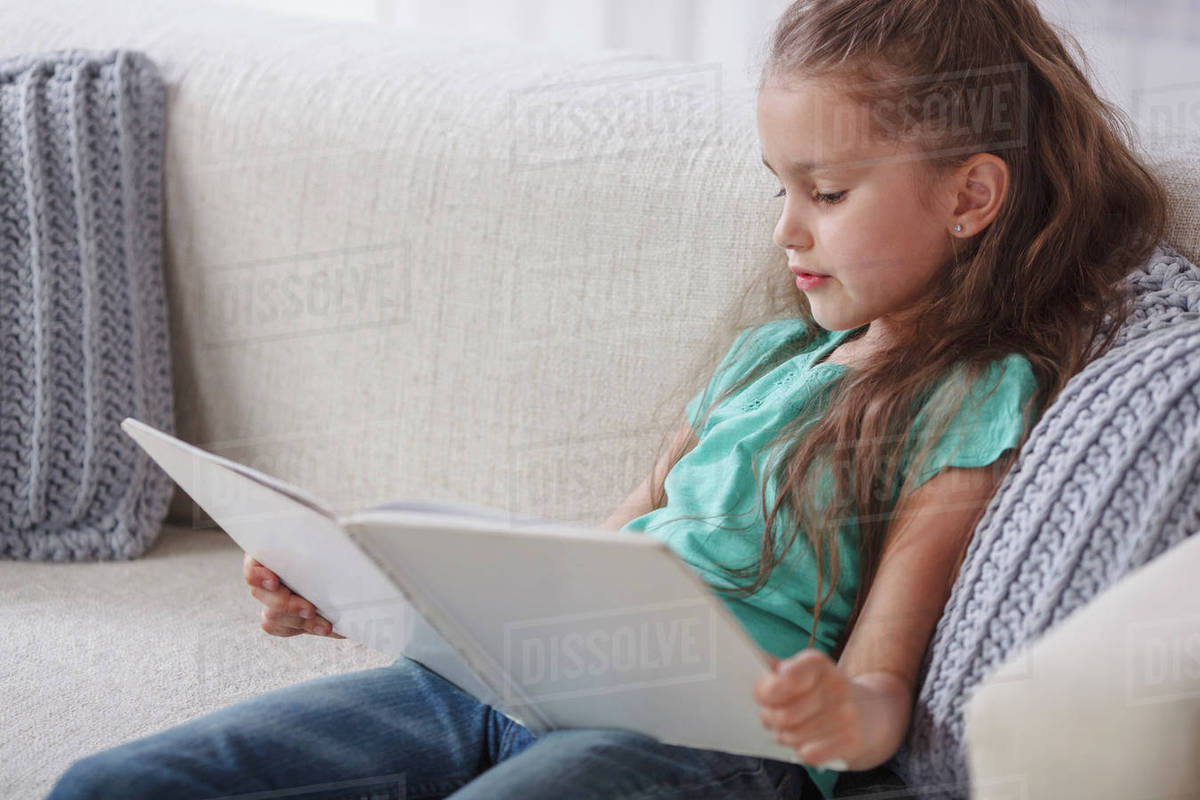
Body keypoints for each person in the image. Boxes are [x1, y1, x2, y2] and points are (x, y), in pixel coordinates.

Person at [45, 0, 1167, 798]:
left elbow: (880, 691)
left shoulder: (970, 399)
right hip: (520, 681)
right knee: (116, 780)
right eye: (778, 187)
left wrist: (845, 716)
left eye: (825, 192)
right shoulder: (765, 359)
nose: (786, 228)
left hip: (707, 740)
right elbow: (608, 547)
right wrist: (380, 595)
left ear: (972, 194)